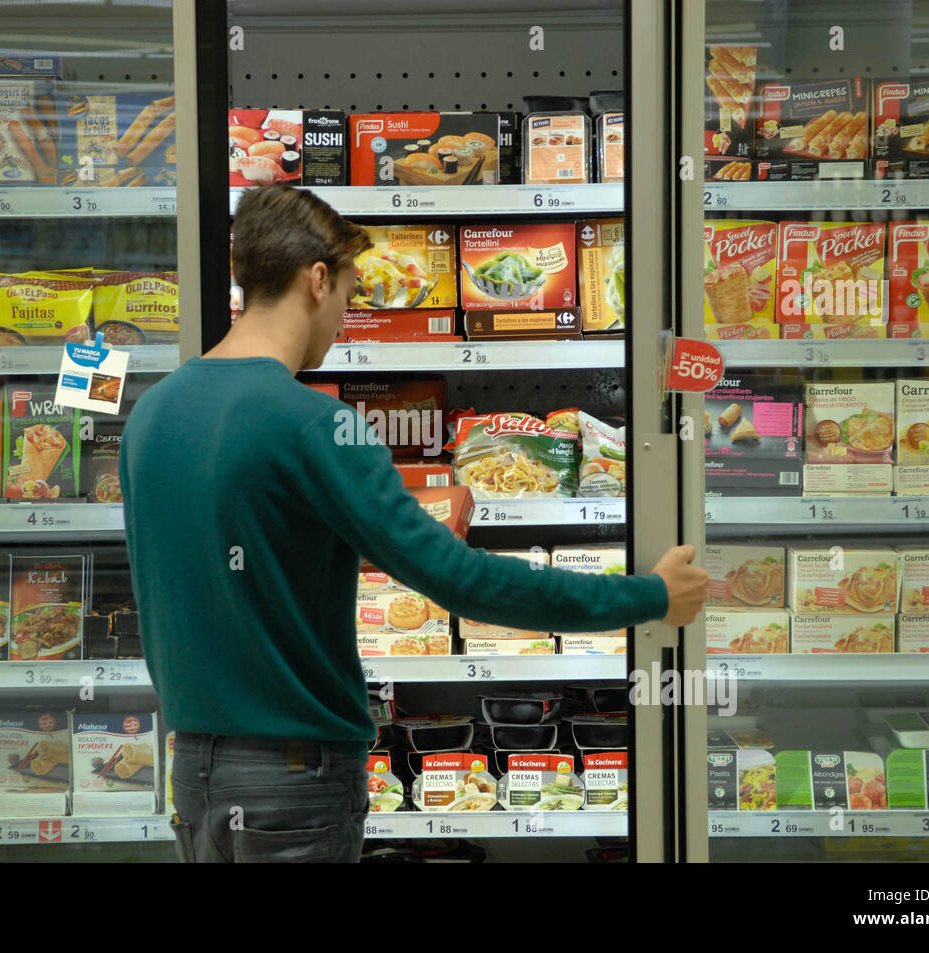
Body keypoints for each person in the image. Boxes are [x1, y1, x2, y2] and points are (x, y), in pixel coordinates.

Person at [119, 185, 709, 864]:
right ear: (316, 280)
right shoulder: (316, 424)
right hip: (293, 781)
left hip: (193, 774)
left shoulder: (152, 415)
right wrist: (648, 595)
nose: (344, 321)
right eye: (346, 293)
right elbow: (458, 578)